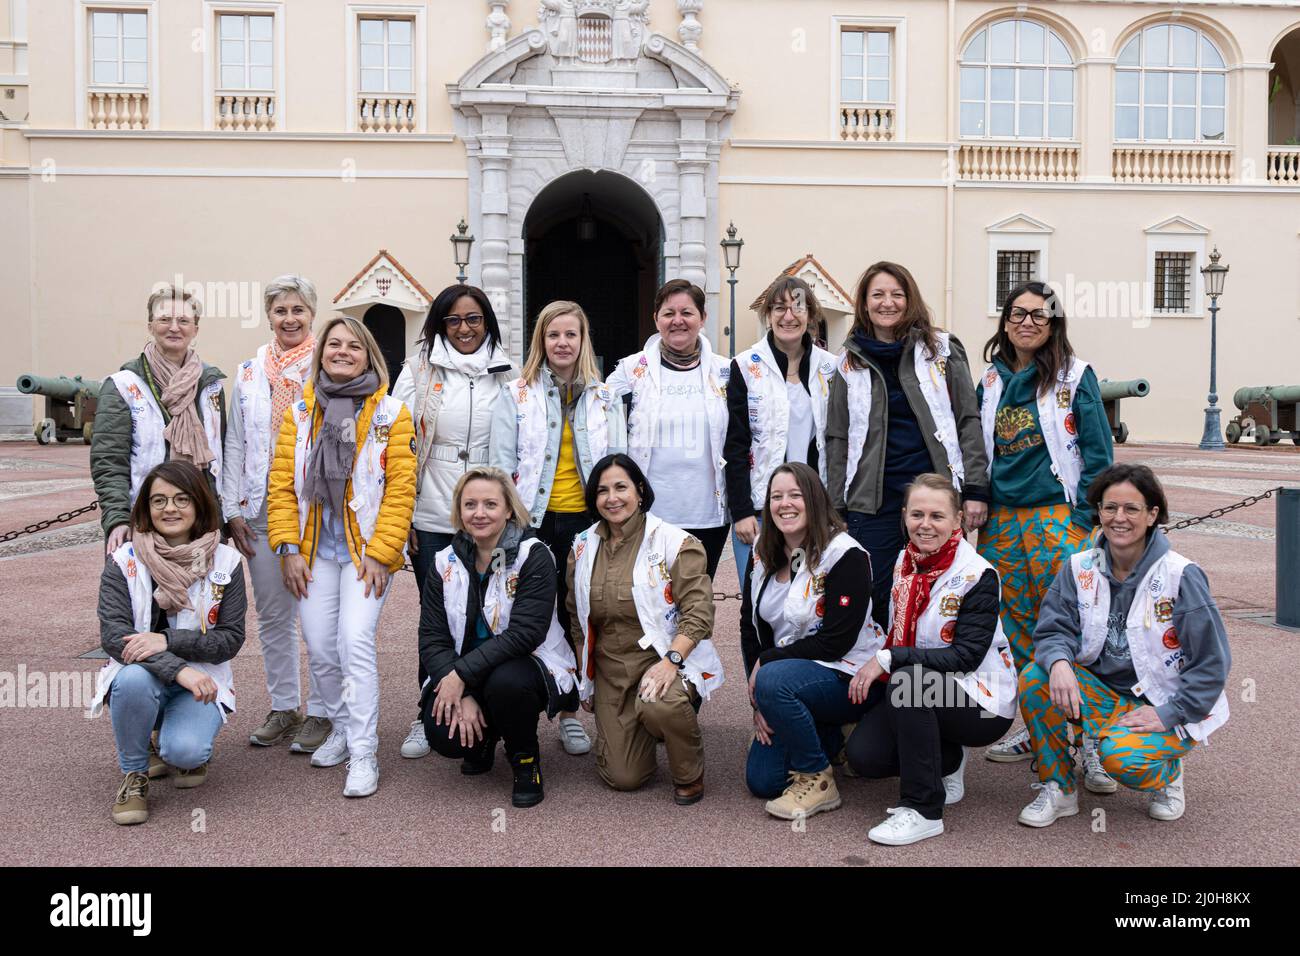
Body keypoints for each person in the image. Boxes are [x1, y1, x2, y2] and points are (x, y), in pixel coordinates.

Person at [1016, 464, 1230, 827]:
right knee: (1036, 676)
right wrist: (1059, 663)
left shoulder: (1181, 575)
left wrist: (1168, 714)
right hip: (1102, 694)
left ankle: (1167, 772)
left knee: (1120, 760)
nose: (1119, 518)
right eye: (1109, 507)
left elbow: (1212, 663)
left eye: (1131, 508)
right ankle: (1060, 789)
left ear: (1152, 515)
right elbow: (1052, 628)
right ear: (1098, 512)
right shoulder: (1078, 566)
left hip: (1165, 702)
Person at [266, 316, 416, 798]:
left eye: (354, 345)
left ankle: (364, 751)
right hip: (314, 550)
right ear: (322, 353)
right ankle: (340, 728)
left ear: (369, 354)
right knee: (320, 645)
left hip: (365, 551)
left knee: (353, 640)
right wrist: (287, 548)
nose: (343, 352)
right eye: (335, 345)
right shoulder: (300, 413)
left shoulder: (393, 414)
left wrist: (383, 551)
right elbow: (282, 486)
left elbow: (400, 490)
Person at [977, 281, 1115, 769]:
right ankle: (1042, 734)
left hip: (1057, 517)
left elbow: (1099, 455)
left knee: (1073, 628)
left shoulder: (1075, 378)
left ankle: (1094, 736)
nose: (1028, 323)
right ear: (1005, 321)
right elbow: (976, 451)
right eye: (1018, 314)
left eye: (1040, 315)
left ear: (1054, 324)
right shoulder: (990, 382)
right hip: (1001, 524)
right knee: (1015, 634)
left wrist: (1083, 520)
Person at [843, 473, 1017, 845]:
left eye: (937, 516)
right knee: (864, 758)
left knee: (908, 682)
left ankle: (923, 809)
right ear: (904, 516)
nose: (925, 525)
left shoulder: (977, 574)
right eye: (917, 514)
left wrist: (890, 658)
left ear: (957, 521)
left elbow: (966, 657)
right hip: (927, 688)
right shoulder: (904, 562)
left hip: (981, 701)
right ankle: (948, 760)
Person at [490, 300, 626, 758]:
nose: (562, 343)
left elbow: (619, 465)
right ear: (541, 341)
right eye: (553, 335)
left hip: (589, 523)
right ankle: (521, 708)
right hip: (533, 520)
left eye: (571, 334)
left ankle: (571, 711)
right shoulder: (516, 394)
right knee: (528, 614)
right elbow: (497, 466)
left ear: (583, 340)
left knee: (582, 613)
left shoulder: (606, 397)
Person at [825, 261, 988, 628]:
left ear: (910, 299)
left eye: (897, 294)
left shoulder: (942, 350)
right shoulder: (848, 363)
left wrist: (975, 487)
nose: (888, 303)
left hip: (934, 496)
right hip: (872, 502)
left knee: (941, 593)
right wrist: (837, 504)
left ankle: (931, 676)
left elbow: (968, 419)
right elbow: (837, 439)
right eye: (878, 295)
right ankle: (883, 678)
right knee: (878, 596)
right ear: (864, 303)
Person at [393, 284, 515, 760]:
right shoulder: (419, 369)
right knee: (439, 616)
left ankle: (489, 705)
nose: (464, 329)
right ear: (440, 324)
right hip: (433, 505)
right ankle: (430, 708)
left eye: (474, 319)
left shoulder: (507, 370)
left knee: (492, 611)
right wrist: (402, 513)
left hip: (489, 507)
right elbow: (398, 438)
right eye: (454, 321)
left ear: (487, 321)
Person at [91, 461, 247, 826]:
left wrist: (165, 639)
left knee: (186, 754)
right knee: (131, 680)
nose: (170, 509)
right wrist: (179, 671)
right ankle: (135, 773)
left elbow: (229, 640)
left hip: (202, 680)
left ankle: (173, 740)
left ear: (199, 504)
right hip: (150, 677)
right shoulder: (123, 560)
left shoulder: (227, 561)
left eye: (181, 499)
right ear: (145, 507)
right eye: (158, 501)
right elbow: (115, 637)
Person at [418, 468, 580, 808]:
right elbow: (432, 636)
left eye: (490, 504)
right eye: (470, 504)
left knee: (506, 684)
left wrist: (461, 677)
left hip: (525, 664)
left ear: (509, 509)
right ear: (459, 511)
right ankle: (485, 737)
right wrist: (456, 687)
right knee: (442, 734)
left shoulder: (531, 555)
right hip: (467, 669)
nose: (479, 513)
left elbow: (525, 634)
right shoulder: (442, 562)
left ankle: (525, 759)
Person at [566, 454, 723, 804]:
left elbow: (698, 613)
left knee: (660, 704)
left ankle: (689, 770)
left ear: (639, 490)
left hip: (662, 659)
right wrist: (585, 679)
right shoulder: (581, 546)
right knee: (624, 778)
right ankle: (642, 727)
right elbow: (576, 618)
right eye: (603, 490)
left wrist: (671, 662)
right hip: (610, 668)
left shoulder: (675, 542)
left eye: (621, 487)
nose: (612, 498)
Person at [222, 275, 332, 754]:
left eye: (298, 310)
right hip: (260, 505)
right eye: (281, 310)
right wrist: (232, 508)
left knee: (317, 613)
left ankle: (324, 711)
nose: (290, 319)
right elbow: (235, 442)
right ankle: (285, 705)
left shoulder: (328, 363)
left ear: (312, 314)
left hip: (314, 506)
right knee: (273, 613)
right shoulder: (248, 372)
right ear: (269, 315)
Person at [741, 463, 884, 822]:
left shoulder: (845, 554)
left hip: (849, 677)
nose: (785, 504)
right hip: (792, 677)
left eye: (795, 495)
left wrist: (768, 666)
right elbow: (749, 626)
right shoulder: (762, 551)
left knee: (775, 679)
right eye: (776, 497)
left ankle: (818, 778)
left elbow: (835, 642)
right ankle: (829, 737)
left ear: (815, 500)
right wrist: (759, 703)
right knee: (763, 781)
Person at [605, 279, 731, 579]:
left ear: (703, 318)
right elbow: (601, 421)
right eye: (668, 313)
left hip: (707, 514)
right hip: (650, 512)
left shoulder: (726, 372)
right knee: (649, 599)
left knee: (697, 601)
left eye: (687, 313)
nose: (677, 321)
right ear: (656, 319)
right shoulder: (630, 371)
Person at [92, 284, 227, 556]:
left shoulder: (211, 385)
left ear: (195, 330)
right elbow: (109, 461)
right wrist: (117, 519)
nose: (174, 327)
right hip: (143, 518)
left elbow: (222, 456)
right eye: (165, 319)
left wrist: (224, 519)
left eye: (184, 321)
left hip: (201, 518)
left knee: (203, 597)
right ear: (151, 325)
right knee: (138, 596)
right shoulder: (123, 386)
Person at [725, 275, 838, 575]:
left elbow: (839, 442)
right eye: (778, 308)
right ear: (768, 316)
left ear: (811, 315)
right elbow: (735, 444)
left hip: (814, 509)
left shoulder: (831, 369)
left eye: (797, 307)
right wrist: (741, 511)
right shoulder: (746, 366)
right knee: (758, 597)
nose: (788, 316)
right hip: (761, 511)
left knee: (804, 593)